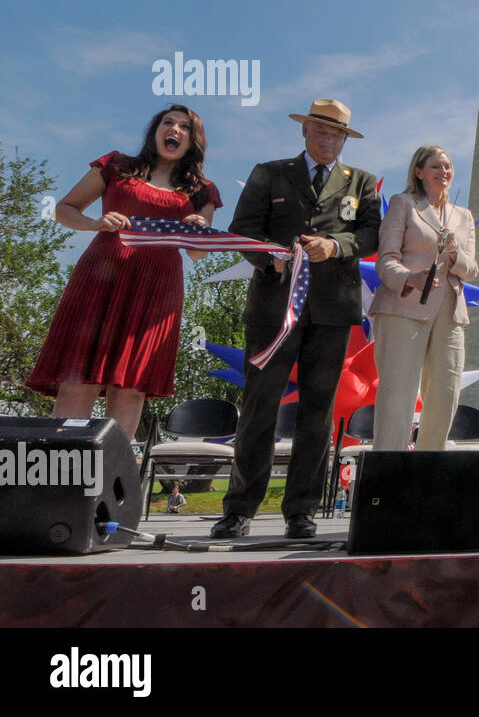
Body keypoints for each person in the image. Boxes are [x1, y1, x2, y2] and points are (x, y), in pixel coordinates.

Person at [210, 99, 380, 539]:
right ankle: (240, 508)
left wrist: (335, 246)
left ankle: (300, 509)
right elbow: (242, 231)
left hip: (333, 310)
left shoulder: (359, 182)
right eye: (321, 131)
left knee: (318, 412)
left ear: (345, 138)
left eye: (337, 134)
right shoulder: (269, 172)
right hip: (273, 308)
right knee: (259, 406)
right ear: (305, 132)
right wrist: (273, 259)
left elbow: (369, 233)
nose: (329, 140)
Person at [27, 104, 220, 440]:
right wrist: (94, 223)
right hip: (100, 279)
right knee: (78, 381)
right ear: (155, 130)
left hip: (157, 291)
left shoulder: (202, 189)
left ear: (194, 141)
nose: (174, 130)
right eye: (167, 123)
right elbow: (64, 209)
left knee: (131, 387)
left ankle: (106, 484)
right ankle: (58, 477)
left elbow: (198, 253)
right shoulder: (118, 166)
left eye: (185, 127)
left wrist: (200, 229)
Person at [370, 146, 479, 451]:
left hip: (450, 313)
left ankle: (429, 474)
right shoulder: (403, 204)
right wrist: (410, 278)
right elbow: (386, 260)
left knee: (446, 395)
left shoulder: (464, 215)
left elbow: (472, 268)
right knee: (398, 397)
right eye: (435, 167)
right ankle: (388, 475)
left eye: (448, 166)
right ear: (418, 172)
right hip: (404, 307)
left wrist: (456, 257)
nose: (444, 172)